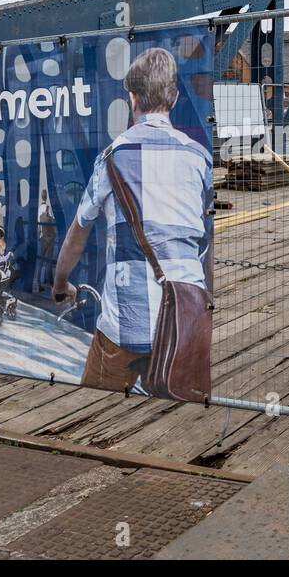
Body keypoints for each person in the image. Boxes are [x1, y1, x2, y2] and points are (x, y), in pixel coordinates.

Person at [52, 47, 212, 393]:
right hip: (184, 321)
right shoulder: (198, 159)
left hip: (127, 325)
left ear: (132, 97)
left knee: (90, 413)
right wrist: (204, 298)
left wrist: (60, 282)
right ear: (175, 97)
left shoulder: (113, 157)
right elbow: (204, 241)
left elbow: (76, 235)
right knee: (178, 418)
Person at [36, 189, 56, 290]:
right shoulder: (49, 208)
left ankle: (38, 283)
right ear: (46, 196)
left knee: (40, 261)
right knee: (49, 261)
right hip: (50, 238)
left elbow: (38, 225)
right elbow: (52, 223)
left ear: (41, 196)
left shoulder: (39, 208)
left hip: (42, 237)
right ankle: (52, 284)